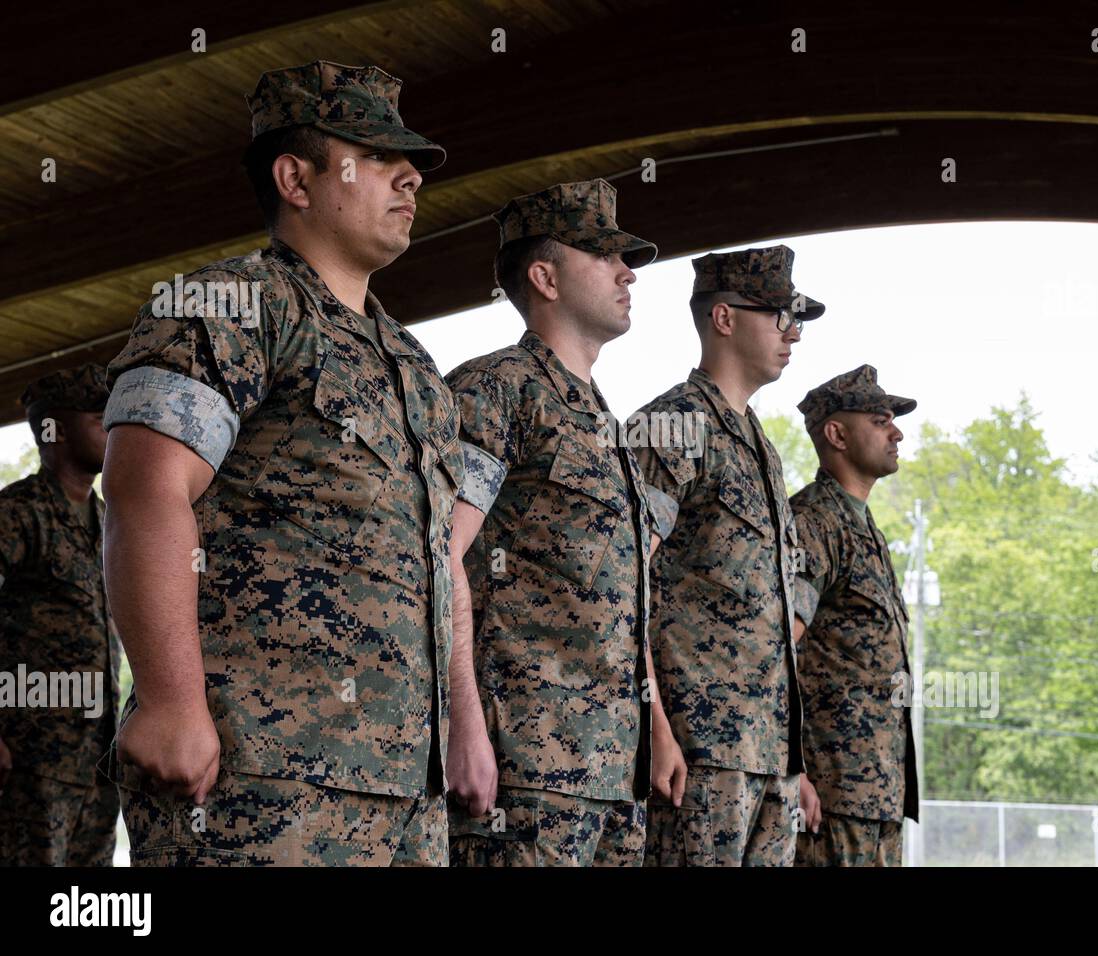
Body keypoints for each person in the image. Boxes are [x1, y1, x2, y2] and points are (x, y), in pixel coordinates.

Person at [99, 60, 460, 865]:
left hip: (406, 791)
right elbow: (145, 488)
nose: (410, 177)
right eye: (374, 156)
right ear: (295, 178)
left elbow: (444, 562)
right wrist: (167, 700)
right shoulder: (230, 306)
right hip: (264, 778)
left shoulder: (414, 364)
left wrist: (461, 736)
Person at [444, 179, 675, 865]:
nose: (627, 271)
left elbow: (620, 599)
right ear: (543, 275)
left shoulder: (604, 421)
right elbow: (440, 555)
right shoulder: (497, 390)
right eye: (603, 254)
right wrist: (463, 725)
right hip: (526, 770)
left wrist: (655, 725)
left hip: (613, 774)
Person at [633, 245, 822, 866]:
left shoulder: (761, 445)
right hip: (699, 748)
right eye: (779, 315)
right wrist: (655, 727)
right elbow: (621, 580)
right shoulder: (673, 426)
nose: (793, 333)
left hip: (767, 755)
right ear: (724, 318)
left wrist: (795, 762)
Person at [789, 364, 919, 867]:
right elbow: (779, 647)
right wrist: (791, 766)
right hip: (832, 797)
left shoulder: (865, 528)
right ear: (837, 434)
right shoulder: (814, 522)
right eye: (880, 420)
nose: (897, 431)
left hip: (879, 795)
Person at [0, 364, 121, 865]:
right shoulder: (20, 512)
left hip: (96, 759)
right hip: (29, 760)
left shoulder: (108, 520)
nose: (112, 429)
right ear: (56, 429)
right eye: (98, 418)